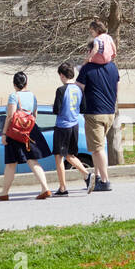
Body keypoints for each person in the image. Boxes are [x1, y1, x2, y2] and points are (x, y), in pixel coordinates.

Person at [0, 71, 52, 201]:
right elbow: (35, 114)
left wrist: (4, 133)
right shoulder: (32, 96)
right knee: (32, 160)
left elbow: (10, 116)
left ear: (14, 84)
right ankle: (45, 188)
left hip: (14, 132)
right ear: (26, 83)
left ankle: (4, 192)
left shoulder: (13, 96)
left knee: (11, 163)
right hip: (29, 131)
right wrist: (28, 126)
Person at [78, 18, 121, 192]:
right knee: (98, 148)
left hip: (94, 113)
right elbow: (116, 88)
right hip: (110, 112)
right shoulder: (113, 68)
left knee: (96, 150)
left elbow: (78, 89)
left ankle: (105, 180)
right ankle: (96, 179)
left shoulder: (87, 69)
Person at [51, 62, 93, 195]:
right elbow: (83, 108)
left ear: (62, 75)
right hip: (75, 124)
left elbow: (56, 110)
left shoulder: (61, 90)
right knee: (70, 155)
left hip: (62, 126)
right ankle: (87, 175)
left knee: (59, 157)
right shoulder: (79, 89)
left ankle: (63, 187)